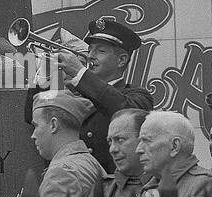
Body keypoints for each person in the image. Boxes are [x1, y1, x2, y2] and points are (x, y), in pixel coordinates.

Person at [30, 15, 153, 173]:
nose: (90, 56)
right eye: (90, 50)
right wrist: (43, 78)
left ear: (122, 60)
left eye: (100, 51)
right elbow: (33, 118)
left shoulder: (138, 97)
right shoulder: (74, 91)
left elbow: (122, 109)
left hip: (113, 188)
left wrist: (80, 73)